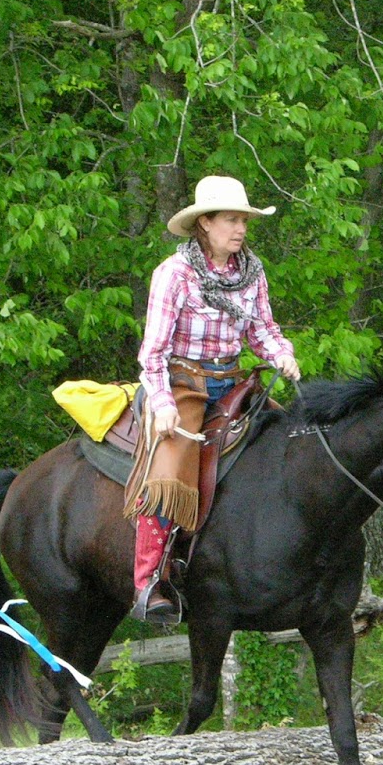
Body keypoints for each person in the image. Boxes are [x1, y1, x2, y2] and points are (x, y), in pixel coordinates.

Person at [124, 175, 302, 624]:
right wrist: (161, 402)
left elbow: (262, 329)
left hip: (233, 380)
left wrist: (282, 354)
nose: (240, 228)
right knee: (169, 468)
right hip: (181, 383)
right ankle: (149, 581)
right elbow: (154, 353)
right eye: (230, 219)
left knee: (290, 442)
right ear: (205, 223)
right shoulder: (175, 275)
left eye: (243, 220)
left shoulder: (251, 270)